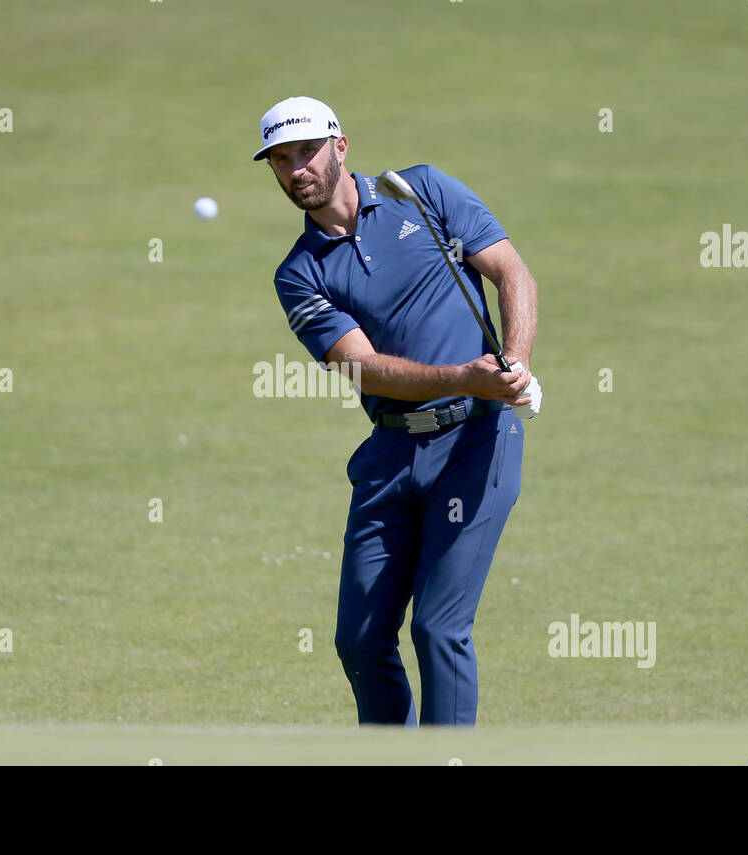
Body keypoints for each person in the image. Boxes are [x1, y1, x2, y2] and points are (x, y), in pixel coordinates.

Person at [254, 96, 539, 726]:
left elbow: (513, 274)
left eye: (306, 152)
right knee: (359, 641)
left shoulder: (422, 191)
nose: (296, 169)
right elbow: (365, 367)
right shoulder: (298, 275)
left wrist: (511, 365)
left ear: (341, 147)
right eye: (281, 160)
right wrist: (466, 375)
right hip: (391, 456)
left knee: (439, 628)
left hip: (476, 441)